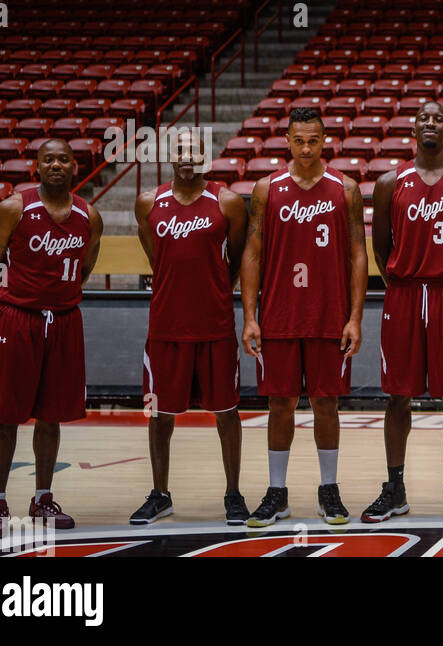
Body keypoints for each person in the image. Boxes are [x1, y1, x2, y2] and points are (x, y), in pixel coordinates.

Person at [240, 107, 368, 526]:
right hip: (278, 315)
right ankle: (277, 491)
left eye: (314, 140)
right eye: (300, 140)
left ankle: (328, 489)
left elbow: (358, 256)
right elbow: (253, 253)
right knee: (280, 403)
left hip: (328, 317)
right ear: (288, 141)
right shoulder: (266, 189)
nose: (307, 147)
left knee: (326, 403)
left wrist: (355, 317)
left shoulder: (346, 189)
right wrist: (250, 317)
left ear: (324, 140)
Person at [366, 101, 443, 522]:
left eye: (437, 118)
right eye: (423, 118)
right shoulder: (388, 183)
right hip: (403, 296)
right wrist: (405, 277)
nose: (430, 123)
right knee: (398, 396)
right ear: (414, 129)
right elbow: (381, 249)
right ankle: (394, 487)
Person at [0, 139, 104, 535]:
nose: (55, 165)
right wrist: (8, 298)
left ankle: (43, 499)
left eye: (63, 159)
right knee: (7, 417)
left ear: (74, 167)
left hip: (65, 320)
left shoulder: (89, 215)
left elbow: (86, 264)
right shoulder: (14, 208)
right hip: (18, 319)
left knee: (51, 415)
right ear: (37, 166)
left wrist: (61, 294)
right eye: (48, 159)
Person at [129, 130, 248, 525]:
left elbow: (233, 263)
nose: (186, 157)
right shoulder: (148, 203)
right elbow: (156, 258)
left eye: (194, 151)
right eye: (179, 151)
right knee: (160, 415)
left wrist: (214, 289)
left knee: (227, 413)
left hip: (215, 325)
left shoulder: (227, 202)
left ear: (206, 158)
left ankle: (233, 493)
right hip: (166, 326)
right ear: (169, 157)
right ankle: (160, 494)